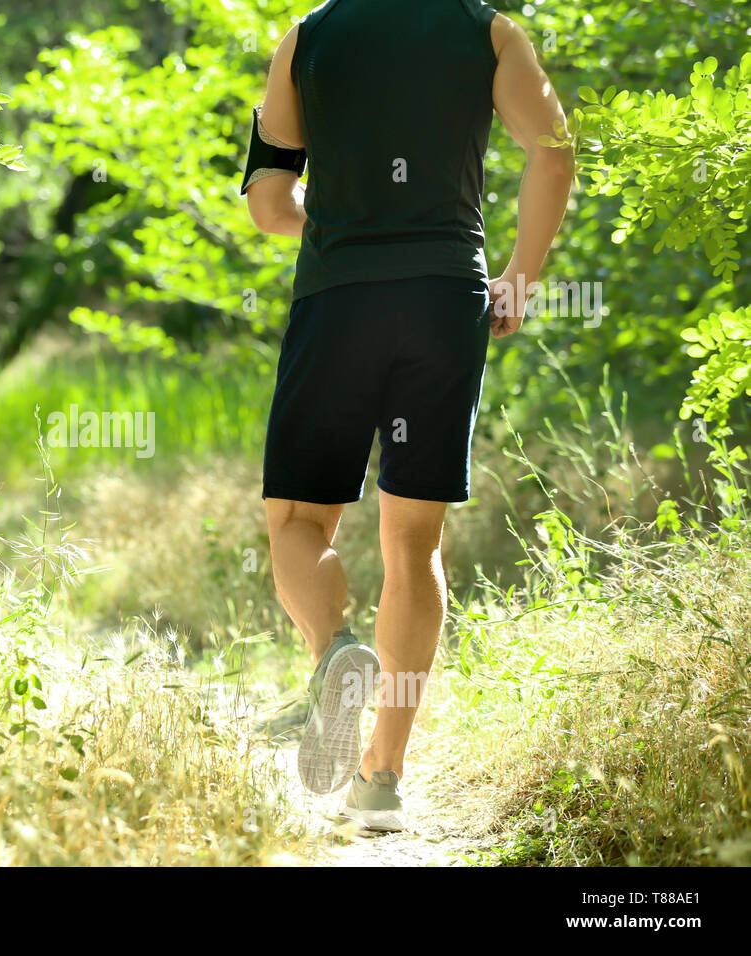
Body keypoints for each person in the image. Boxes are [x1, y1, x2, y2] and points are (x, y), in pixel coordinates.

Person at [241, 0, 573, 831]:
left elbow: (269, 203)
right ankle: (381, 779)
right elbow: (554, 152)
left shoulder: (306, 41)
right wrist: (520, 278)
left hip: (338, 298)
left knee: (298, 519)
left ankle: (334, 653)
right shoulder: (488, 31)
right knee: (413, 541)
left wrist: (348, 212)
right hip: (444, 301)